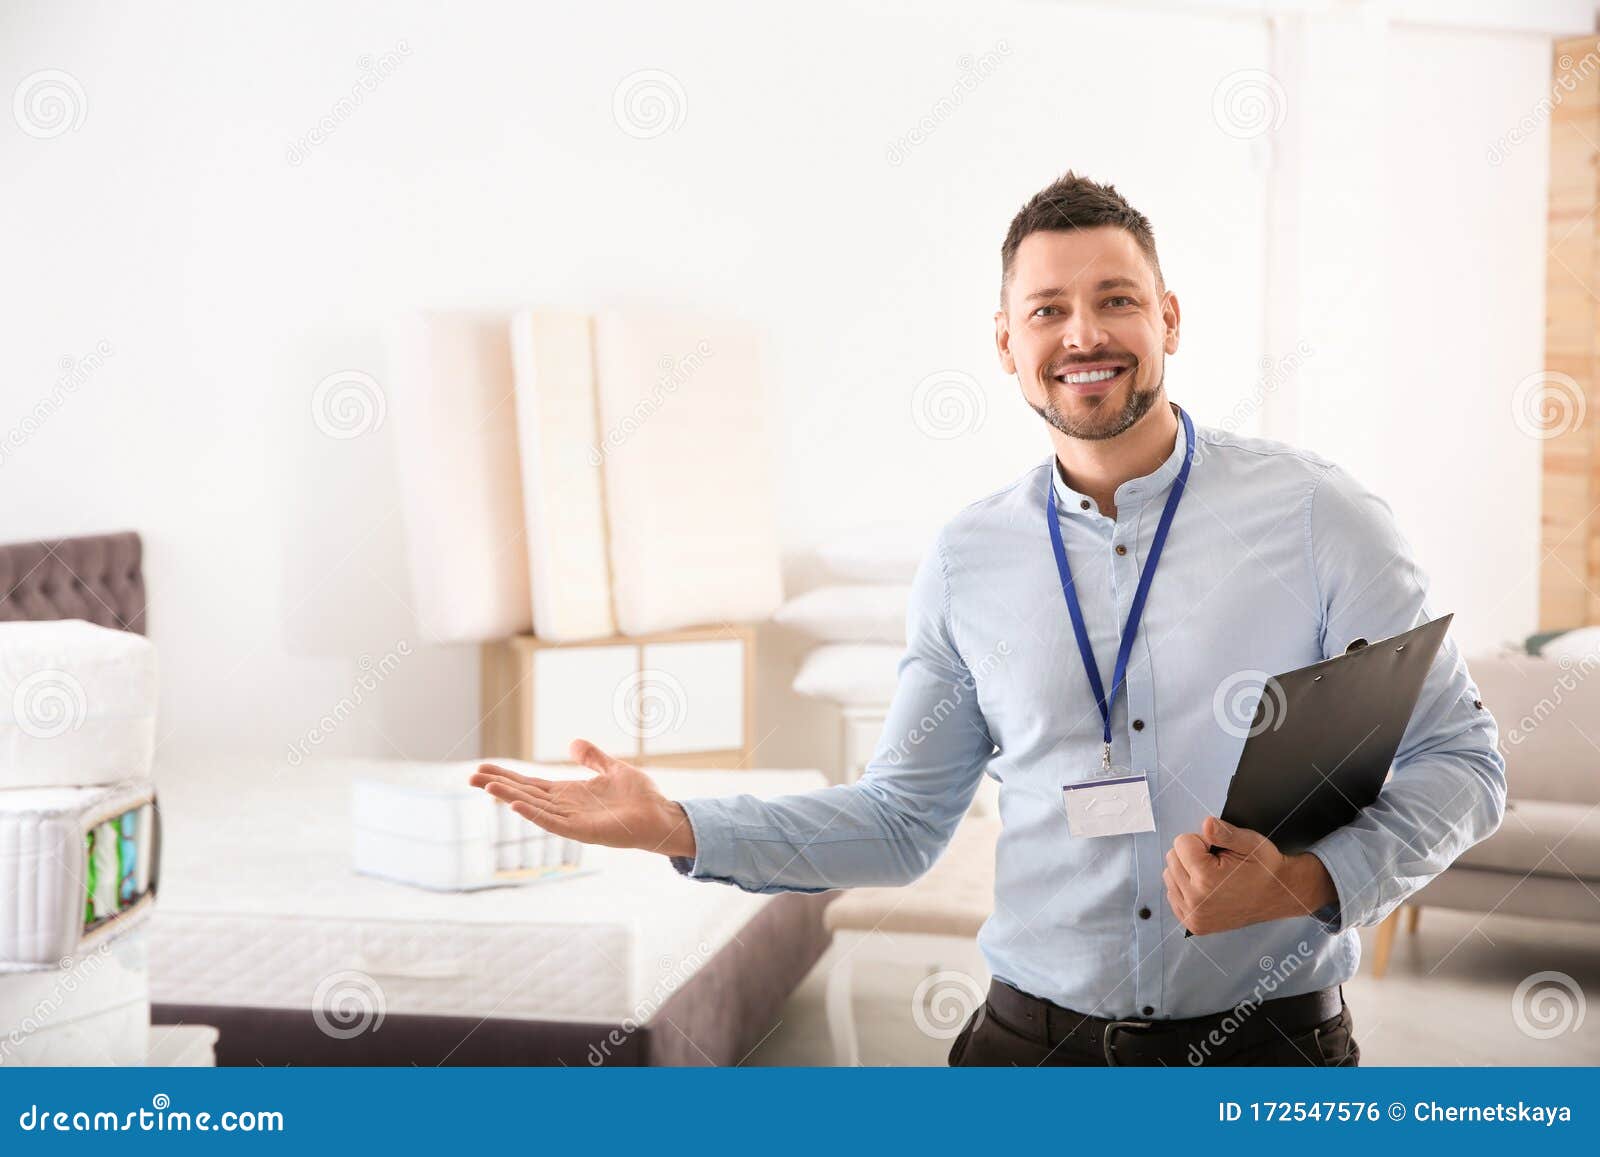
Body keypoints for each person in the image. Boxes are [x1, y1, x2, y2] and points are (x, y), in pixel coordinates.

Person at [470, 171, 1507, 1067]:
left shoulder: (1320, 517)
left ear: (1170, 320)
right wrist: (675, 825)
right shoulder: (968, 560)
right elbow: (901, 821)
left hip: (1266, 1049)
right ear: (1006, 340)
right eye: (1047, 309)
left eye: (1115, 300)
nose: (1084, 333)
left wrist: (1307, 881)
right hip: (1026, 1052)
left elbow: (1462, 761)